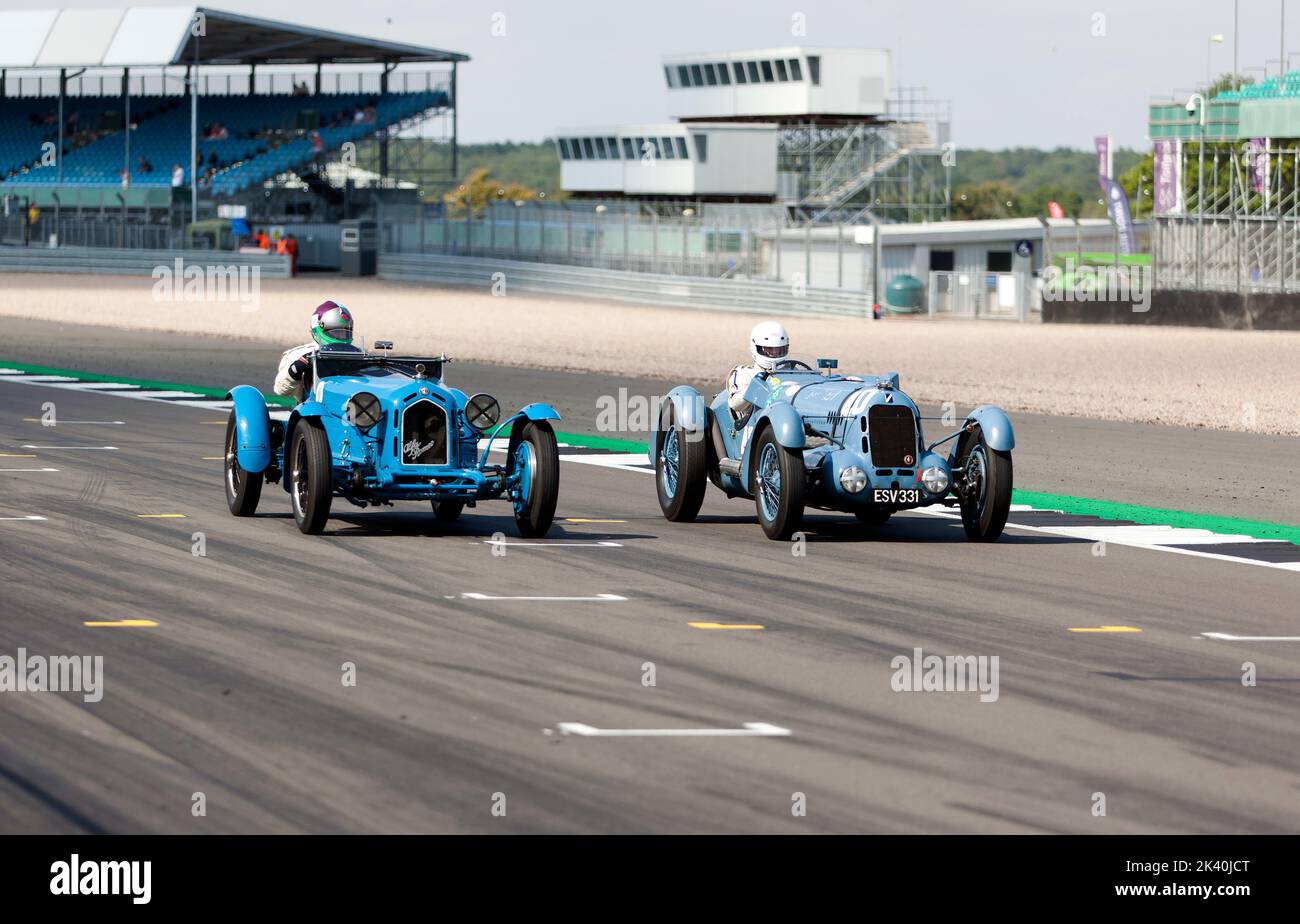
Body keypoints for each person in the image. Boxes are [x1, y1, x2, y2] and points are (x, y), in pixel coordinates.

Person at [274, 301, 354, 401]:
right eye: (336, 332)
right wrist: (296, 370)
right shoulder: (300, 355)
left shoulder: (358, 355)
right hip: (313, 408)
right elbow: (280, 390)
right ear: (318, 330)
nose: (341, 337)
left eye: (345, 333)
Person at [726, 321, 789, 419]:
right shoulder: (745, 374)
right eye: (769, 350)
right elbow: (735, 405)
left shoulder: (791, 371)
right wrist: (754, 386)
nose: (774, 354)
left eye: (779, 350)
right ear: (755, 348)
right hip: (753, 427)